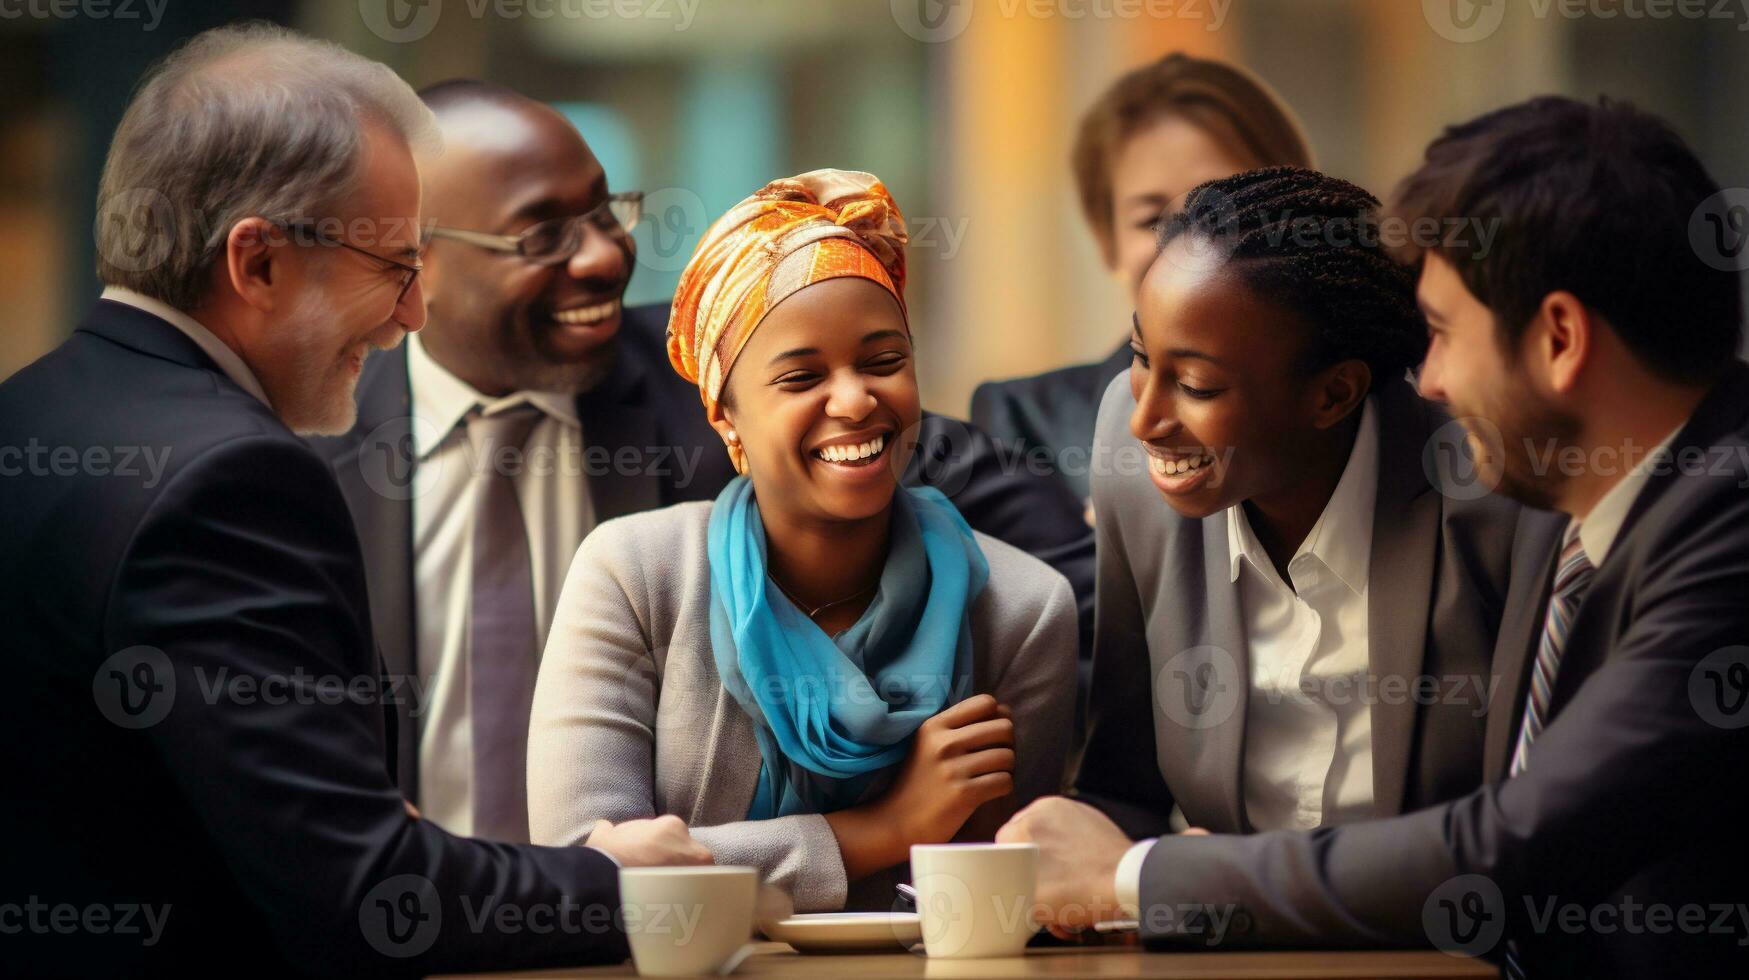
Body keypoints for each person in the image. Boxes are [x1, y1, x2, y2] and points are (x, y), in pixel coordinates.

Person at [0, 25, 708, 977]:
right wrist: (610, 880)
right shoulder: (229, 480)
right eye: (394, 267)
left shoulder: (28, 411)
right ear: (257, 263)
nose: (411, 316)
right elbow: (374, 891)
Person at [999, 97, 1749, 978]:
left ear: (1557, 338)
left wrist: (1136, 876)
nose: (1424, 381)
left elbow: (1507, 846)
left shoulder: (1715, 524)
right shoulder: (1629, 503)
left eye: (1438, 334)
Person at [306, 84, 1096, 833]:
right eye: (544, 234)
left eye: (607, 210)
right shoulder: (312, 453)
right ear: (417, 258)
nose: (605, 257)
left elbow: (978, 501)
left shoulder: (725, 372)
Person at [526, 170, 1078, 913]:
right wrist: (883, 830)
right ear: (726, 419)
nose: (854, 400)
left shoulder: (1021, 609)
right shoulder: (634, 576)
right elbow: (585, 878)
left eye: (884, 362)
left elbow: (1017, 899)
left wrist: (695, 860)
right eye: (799, 378)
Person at [972, 53, 1313, 509]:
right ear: (1105, 239)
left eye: (1217, 209)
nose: (1183, 240)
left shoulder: (1374, 399)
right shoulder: (1027, 422)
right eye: (1151, 217)